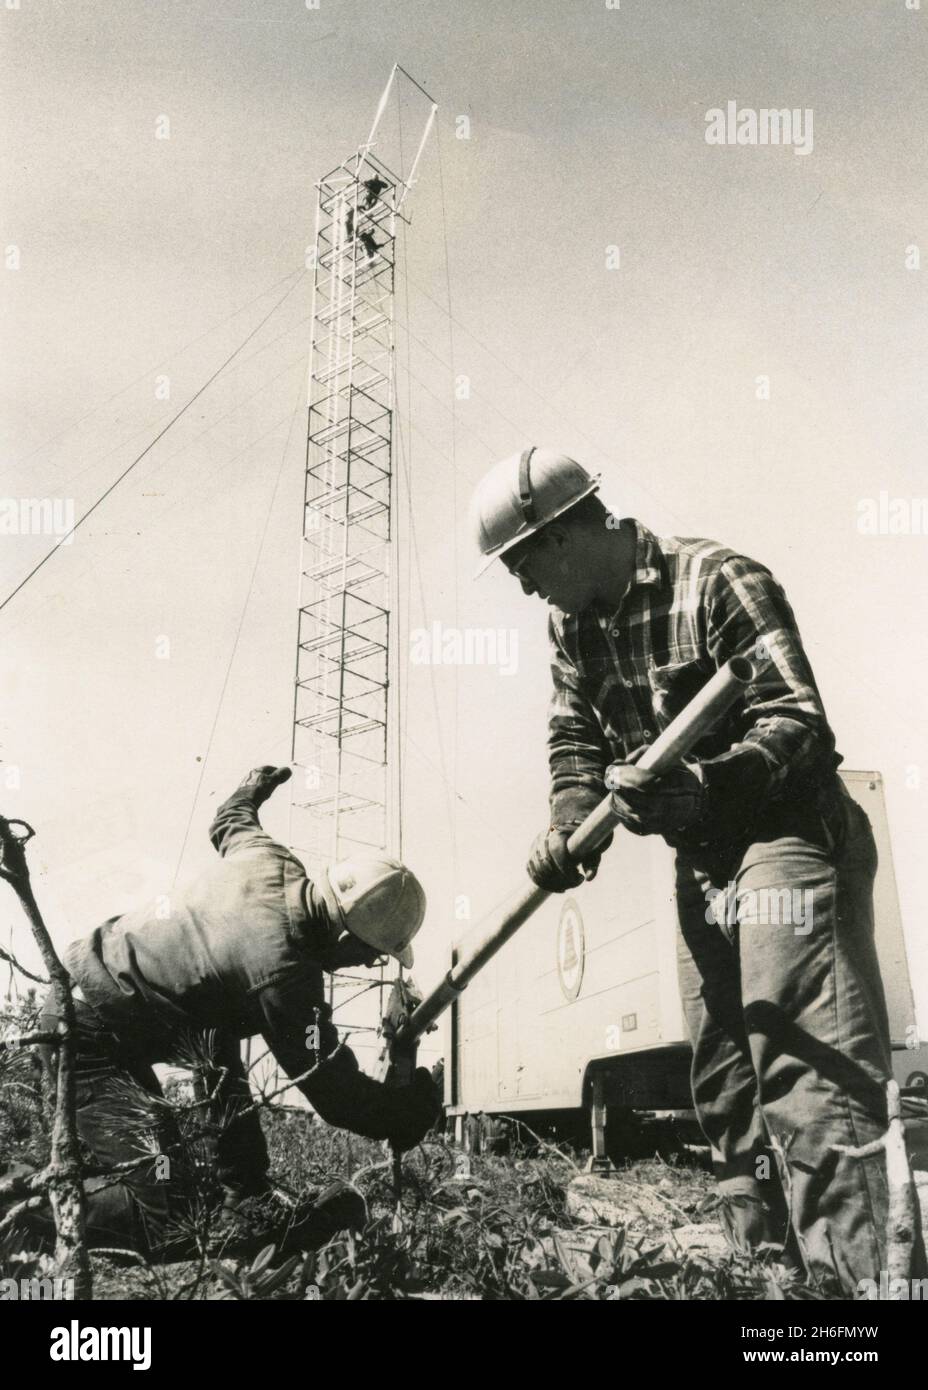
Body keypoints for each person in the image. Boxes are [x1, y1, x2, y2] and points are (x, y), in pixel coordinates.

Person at [469, 445, 921, 1291]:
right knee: (723, 1080)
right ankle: (765, 1280)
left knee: (799, 1061)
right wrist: (570, 825)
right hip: (703, 858)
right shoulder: (571, 628)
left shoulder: (717, 580)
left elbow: (798, 724)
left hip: (786, 832)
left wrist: (705, 785)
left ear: (565, 534)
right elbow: (575, 743)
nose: (524, 589)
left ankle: (863, 1299)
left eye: (524, 567)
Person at [17, 765, 439, 1260]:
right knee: (166, 1207)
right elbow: (336, 1093)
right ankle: (20, 1215)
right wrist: (407, 1114)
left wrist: (249, 791)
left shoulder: (269, 858)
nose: (368, 963)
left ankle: (247, 1193)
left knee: (216, 1041)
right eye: (372, 953)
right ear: (346, 937)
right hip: (86, 1038)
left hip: (96, 1004)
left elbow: (231, 821)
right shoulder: (283, 975)